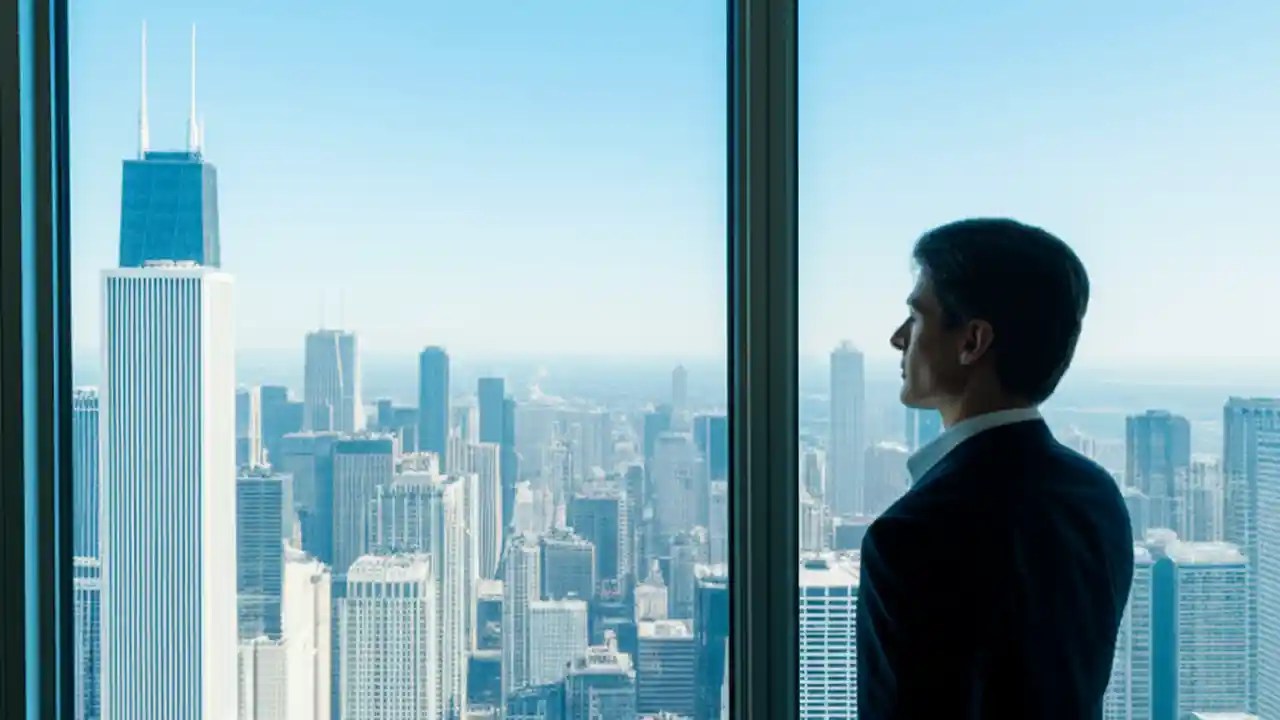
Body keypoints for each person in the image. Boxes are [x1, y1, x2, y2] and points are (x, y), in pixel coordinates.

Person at [857, 218, 1133, 718]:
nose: (898, 338)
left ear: (972, 342)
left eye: (916, 317)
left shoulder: (910, 537)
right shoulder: (1097, 497)